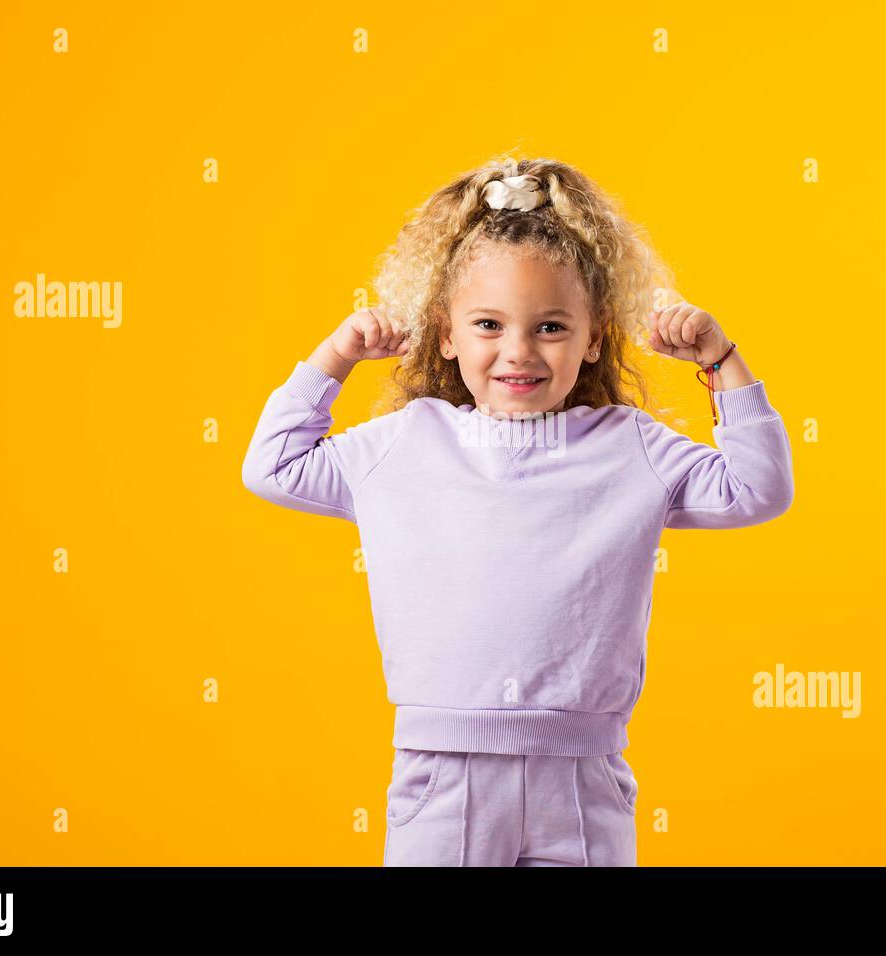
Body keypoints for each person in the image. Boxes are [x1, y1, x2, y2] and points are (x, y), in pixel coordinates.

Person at [241, 156, 795, 865]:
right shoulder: (405, 445)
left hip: (582, 779)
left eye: (552, 327)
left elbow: (759, 487)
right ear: (446, 333)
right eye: (488, 324)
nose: (518, 351)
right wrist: (337, 355)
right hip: (443, 776)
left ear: (595, 337)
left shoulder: (633, 450)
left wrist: (722, 361)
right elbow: (273, 465)